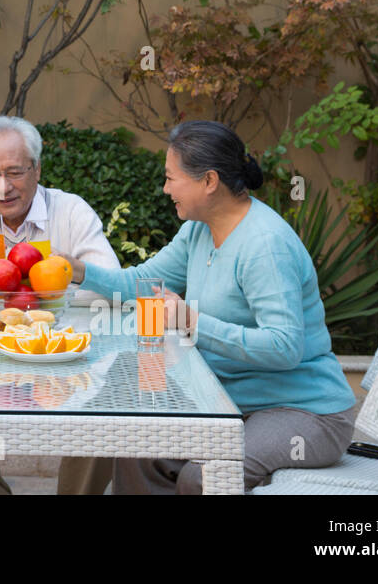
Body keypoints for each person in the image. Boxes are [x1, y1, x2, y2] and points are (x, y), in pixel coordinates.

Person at [73, 120, 357, 493]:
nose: (165, 189)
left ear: (209, 181)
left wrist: (190, 323)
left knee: (203, 478)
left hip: (303, 413)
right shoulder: (199, 228)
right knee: (137, 447)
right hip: (228, 402)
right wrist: (74, 270)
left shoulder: (264, 246)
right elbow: (141, 284)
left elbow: (285, 348)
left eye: (171, 178)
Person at [0, 115, 122, 495]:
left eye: (14, 172)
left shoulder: (71, 212)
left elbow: (112, 288)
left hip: (63, 355)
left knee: (104, 418)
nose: (2, 187)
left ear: (37, 170)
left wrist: (52, 294)